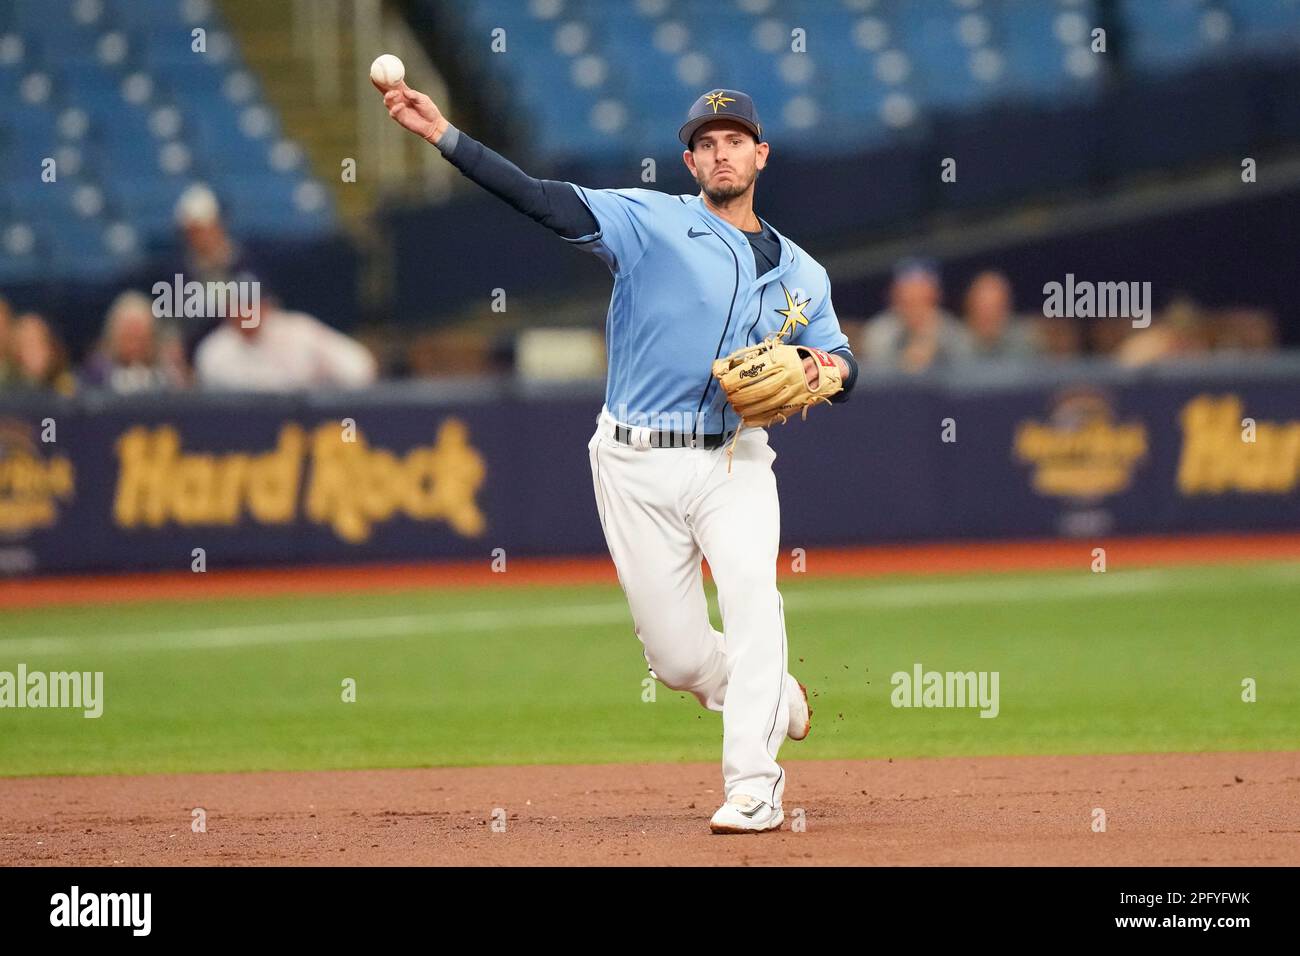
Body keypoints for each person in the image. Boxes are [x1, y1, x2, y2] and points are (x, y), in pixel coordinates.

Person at [376, 80, 860, 833]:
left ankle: (754, 787)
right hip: (633, 460)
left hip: (735, 460)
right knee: (674, 660)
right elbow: (541, 199)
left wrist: (827, 372)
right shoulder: (646, 222)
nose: (720, 151)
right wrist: (446, 135)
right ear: (690, 161)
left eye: (734, 139)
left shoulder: (804, 273)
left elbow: (842, 363)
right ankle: (769, 694)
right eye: (706, 142)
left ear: (759, 154)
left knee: (753, 602)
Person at [193, 301, 377, 392]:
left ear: (266, 305)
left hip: (306, 425)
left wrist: (329, 376)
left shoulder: (299, 330)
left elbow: (360, 367)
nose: (246, 313)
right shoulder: (214, 350)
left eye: (252, 303)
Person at [861, 259, 972, 372]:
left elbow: (966, 370)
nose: (915, 310)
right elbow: (875, 372)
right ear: (895, 299)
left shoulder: (953, 332)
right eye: (908, 302)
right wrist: (903, 360)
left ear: (936, 297)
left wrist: (935, 351)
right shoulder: (879, 331)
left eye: (923, 300)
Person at [81, 291, 187, 394]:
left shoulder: (168, 377)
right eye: (129, 338)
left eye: (141, 339)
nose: (135, 347)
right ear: (113, 338)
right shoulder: (95, 375)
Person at [960, 270, 1039, 361]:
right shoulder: (952, 345)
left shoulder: (1025, 341)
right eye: (983, 307)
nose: (989, 315)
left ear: (1007, 309)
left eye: (995, 307)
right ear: (969, 307)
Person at [5, 313, 76, 396]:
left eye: (40, 342)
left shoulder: (68, 385)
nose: (36, 352)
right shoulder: (8, 390)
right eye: (29, 344)